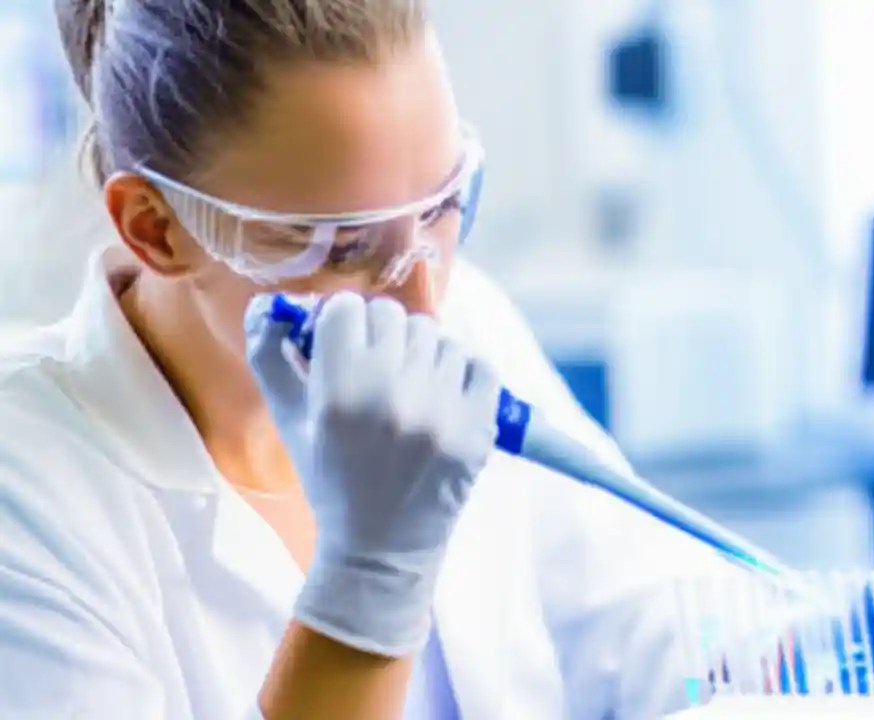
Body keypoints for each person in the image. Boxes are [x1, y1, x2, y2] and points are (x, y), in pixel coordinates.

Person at [0, 1, 722, 717]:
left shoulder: (467, 318)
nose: (422, 303)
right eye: (344, 247)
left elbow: (653, 634)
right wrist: (369, 580)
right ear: (156, 229)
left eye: (441, 207)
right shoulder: (29, 497)